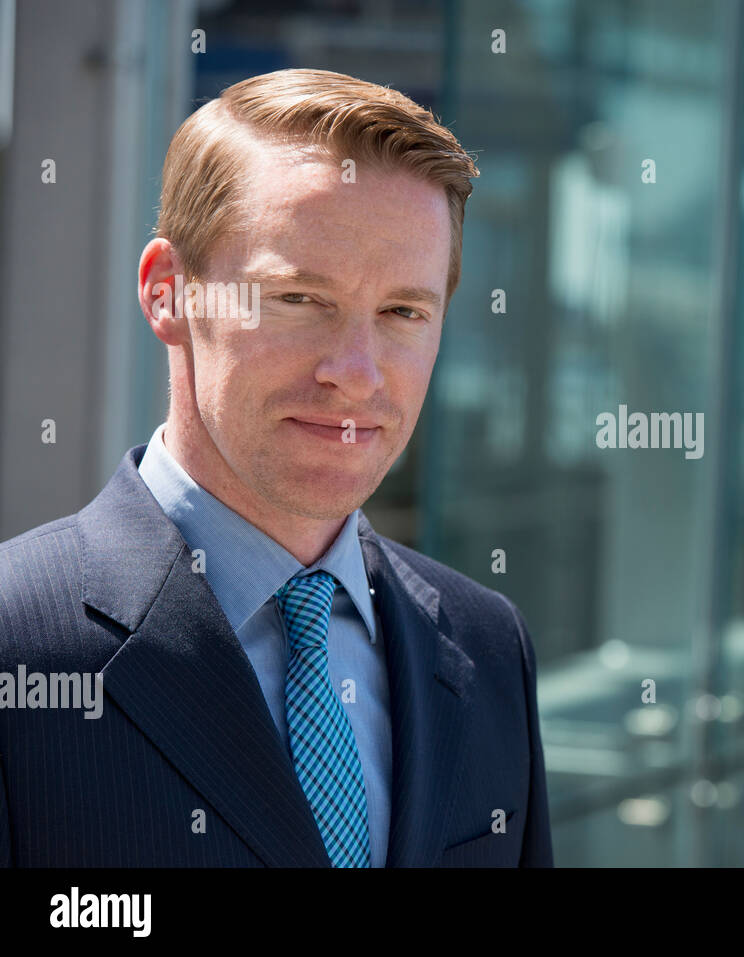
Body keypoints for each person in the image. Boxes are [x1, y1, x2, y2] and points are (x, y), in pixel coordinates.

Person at [0, 69, 552, 867]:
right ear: (169, 293)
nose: (357, 373)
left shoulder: (489, 646)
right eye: (298, 298)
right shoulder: (19, 642)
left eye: (403, 311)